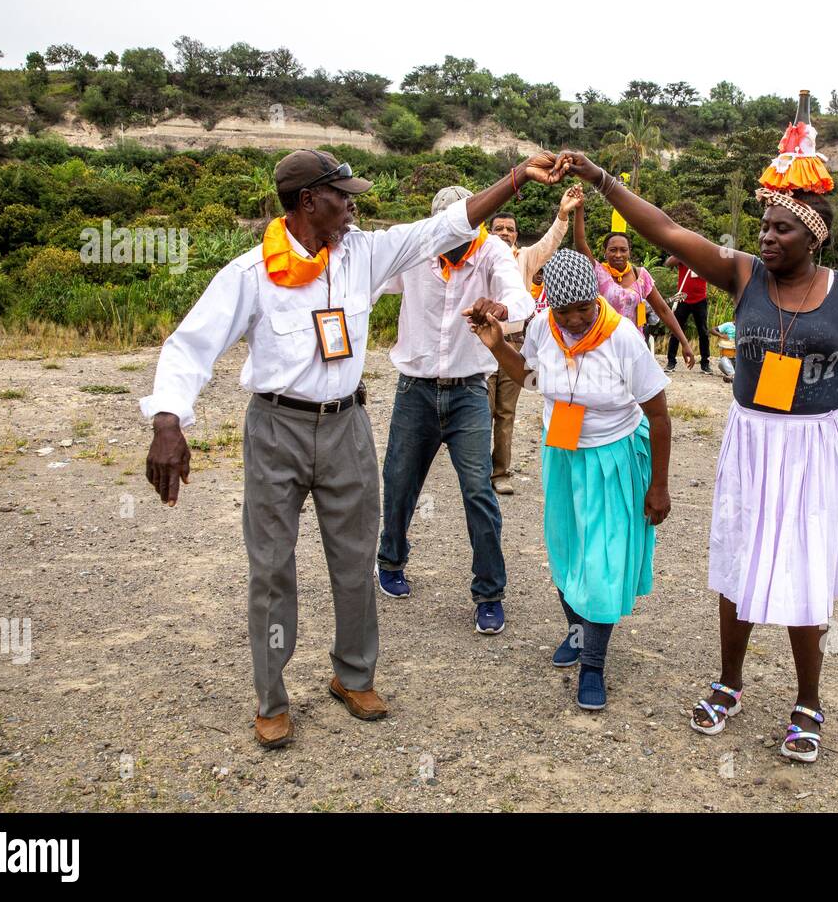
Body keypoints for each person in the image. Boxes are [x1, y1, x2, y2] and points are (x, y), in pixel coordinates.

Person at [557, 108, 838, 762]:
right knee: (739, 561)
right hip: (752, 440)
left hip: (815, 445)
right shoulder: (742, 277)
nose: (767, 238)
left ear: (813, 236)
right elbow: (667, 228)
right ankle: (730, 681)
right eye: (764, 227)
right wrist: (601, 178)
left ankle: (808, 700)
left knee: (804, 568)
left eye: (782, 229)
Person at [142, 148, 567, 748]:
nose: (353, 203)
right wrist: (167, 421)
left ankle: (354, 674)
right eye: (342, 194)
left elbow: (446, 224)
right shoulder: (250, 273)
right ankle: (271, 697)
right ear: (309, 202)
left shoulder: (363, 254)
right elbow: (191, 346)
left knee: (354, 560)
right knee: (271, 568)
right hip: (276, 429)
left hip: (347, 426)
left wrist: (518, 177)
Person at [465, 248, 672, 710]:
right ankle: (577, 633)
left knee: (601, 562)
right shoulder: (543, 328)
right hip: (561, 450)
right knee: (565, 548)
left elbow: (658, 415)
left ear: (596, 298)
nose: (576, 318)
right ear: (550, 308)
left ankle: (593, 665)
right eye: (565, 310)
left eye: (584, 307)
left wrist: (659, 485)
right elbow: (531, 378)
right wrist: (498, 344)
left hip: (612, 456)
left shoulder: (623, 339)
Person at [374, 185, 535, 636]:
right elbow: (366, 281)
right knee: (400, 480)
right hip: (415, 391)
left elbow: (519, 297)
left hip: (468, 393)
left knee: (478, 492)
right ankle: (390, 560)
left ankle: (489, 593)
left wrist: (503, 308)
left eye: (465, 227)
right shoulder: (415, 250)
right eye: (448, 229)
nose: (456, 237)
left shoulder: (492, 253)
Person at [485, 184, 584, 495]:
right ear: (488, 232)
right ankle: (475, 471)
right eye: (498, 228)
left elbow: (550, 243)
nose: (504, 232)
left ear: (516, 235)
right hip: (482, 345)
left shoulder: (525, 258)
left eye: (510, 229)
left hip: (514, 344)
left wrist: (562, 214)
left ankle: (500, 472)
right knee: (478, 411)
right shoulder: (479, 257)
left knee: (505, 412)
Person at [572, 199, 695, 367]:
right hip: (601, 345)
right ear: (605, 252)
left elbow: (663, 310)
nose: (618, 255)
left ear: (629, 252)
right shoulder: (598, 272)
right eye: (612, 250)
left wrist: (684, 342)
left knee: (634, 391)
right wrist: (579, 209)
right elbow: (580, 243)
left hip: (633, 346)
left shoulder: (641, 276)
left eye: (623, 250)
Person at [665, 255, 712, 374]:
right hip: (683, 298)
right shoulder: (683, 255)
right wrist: (681, 253)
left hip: (700, 299)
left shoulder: (705, 259)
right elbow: (668, 263)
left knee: (703, 332)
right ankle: (671, 362)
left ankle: (705, 363)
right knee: (675, 330)